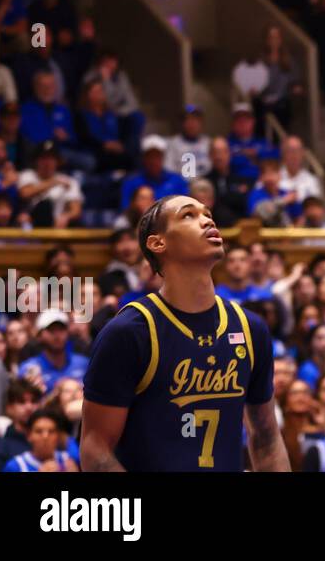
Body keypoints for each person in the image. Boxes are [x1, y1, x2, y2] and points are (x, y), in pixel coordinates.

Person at [80, 195, 290, 471]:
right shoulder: (129, 332)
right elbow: (96, 451)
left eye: (207, 214)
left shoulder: (251, 329)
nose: (206, 220)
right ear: (158, 243)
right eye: (188, 215)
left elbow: (266, 441)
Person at [3, 410, 77, 472]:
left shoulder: (68, 460)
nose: (45, 437)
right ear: (29, 436)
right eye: (39, 431)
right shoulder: (15, 466)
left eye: (51, 431)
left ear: (58, 436)